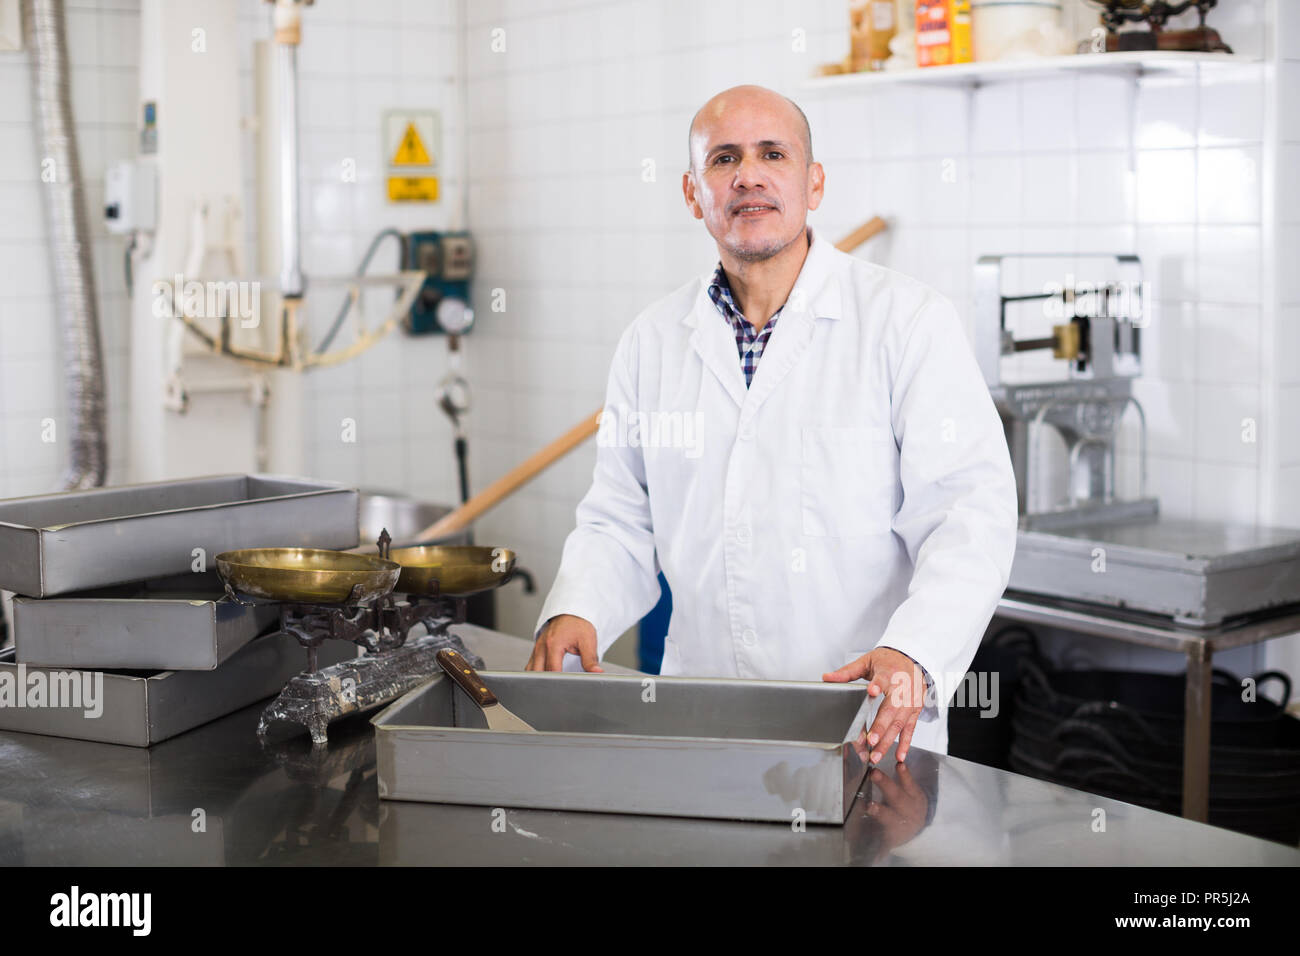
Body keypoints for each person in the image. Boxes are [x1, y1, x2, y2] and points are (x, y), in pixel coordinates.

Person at [527, 85, 1018, 763]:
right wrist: (577, 606)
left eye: (772, 154)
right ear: (694, 193)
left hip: (867, 725)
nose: (748, 175)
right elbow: (619, 516)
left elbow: (970, 516)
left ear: (813, 183)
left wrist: (916, 649)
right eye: (724, 158)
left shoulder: (906, 323)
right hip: (702, 720)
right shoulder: (652, 341)